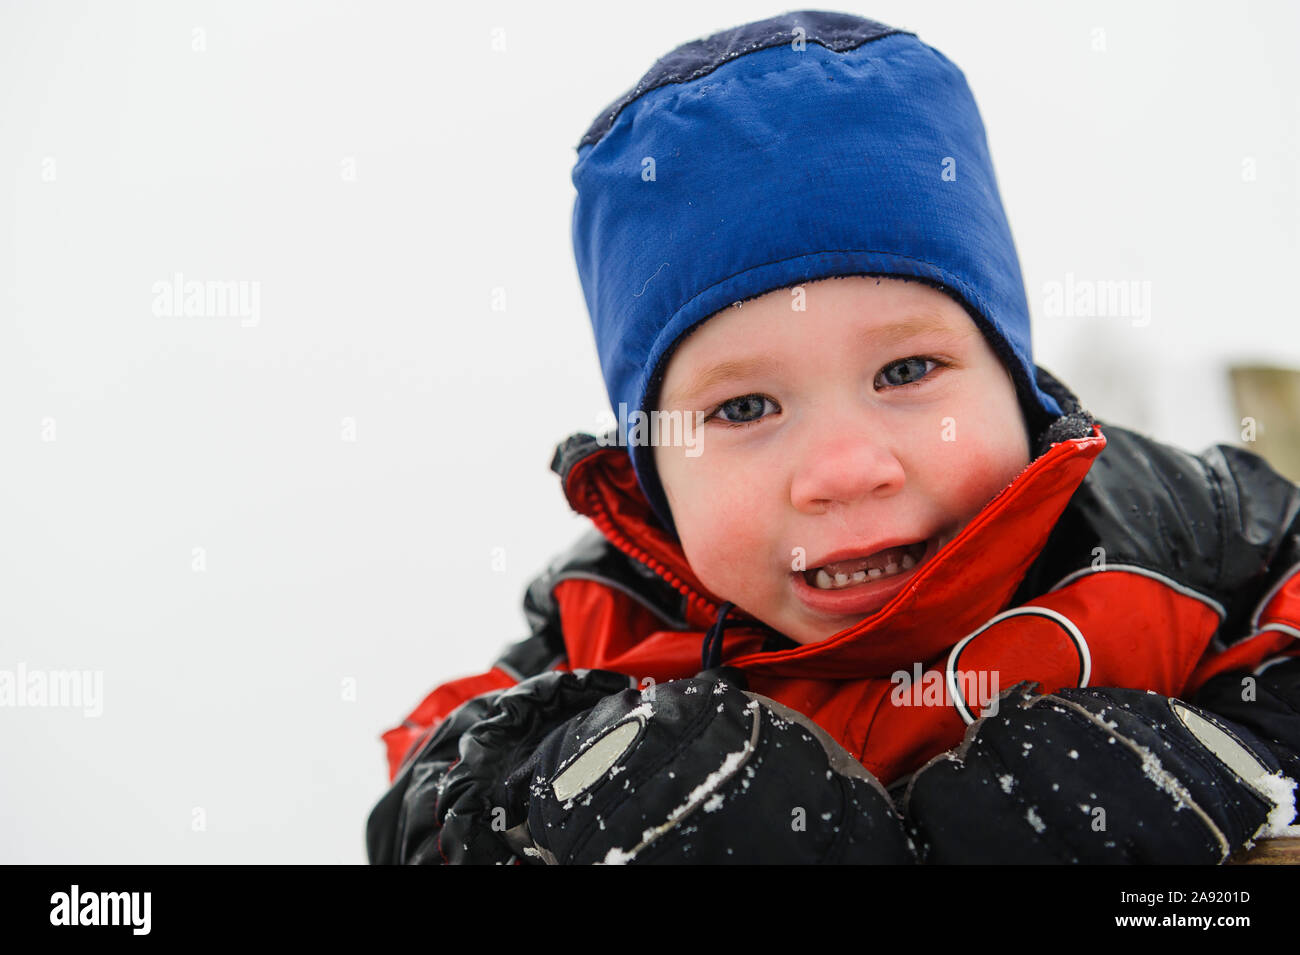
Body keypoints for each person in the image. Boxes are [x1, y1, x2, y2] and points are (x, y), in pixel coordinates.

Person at [366, 10, 1300, 864]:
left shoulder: (1171, 532)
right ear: (653, 468)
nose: (846, 470)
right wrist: (574, 789)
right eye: (743, 410)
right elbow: (427, 794)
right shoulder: (607, 616)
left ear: (1011, 378)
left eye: (904, 374)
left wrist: (1220, 758)